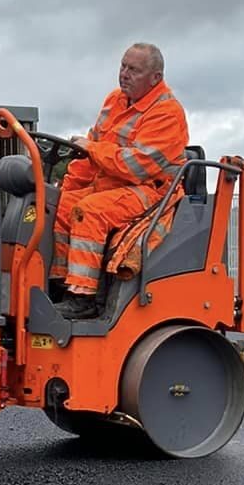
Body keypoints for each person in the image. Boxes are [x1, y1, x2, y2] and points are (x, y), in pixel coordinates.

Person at [51, 43, 190, 319]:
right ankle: (59, 286)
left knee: (89, 212)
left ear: (155, 78)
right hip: (111, 186)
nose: (124, 74)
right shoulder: (114, 100)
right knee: (59, 205)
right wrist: (62, 190)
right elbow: (90, 153)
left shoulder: (167, 113)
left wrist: (92, 149)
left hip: (149, 191)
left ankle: (83, 297)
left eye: (134, 70)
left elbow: (137, 167)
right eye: (123, 66)